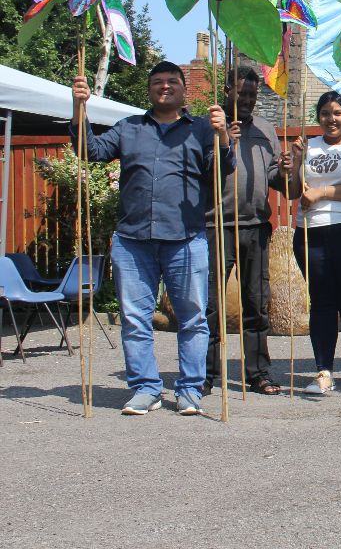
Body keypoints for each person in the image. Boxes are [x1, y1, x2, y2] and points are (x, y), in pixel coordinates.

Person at [71, 62, 233, 416]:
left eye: (172, 82)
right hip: (133, 240)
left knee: (192, 317)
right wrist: (79, 106)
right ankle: (145, 388)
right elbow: (90, 152)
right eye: (157, 82)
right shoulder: (128, 128)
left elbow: (221, 170)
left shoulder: (202, 128)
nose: (164, 87)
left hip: (186, 237)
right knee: (134, 318)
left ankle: (190, 389)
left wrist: (222, 136)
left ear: (183, 89)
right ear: (148, 89)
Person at [282, 91, 341, 396]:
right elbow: (294, 192)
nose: (330, 119)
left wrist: (322, 193)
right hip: (311, 232)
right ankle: (324, 372)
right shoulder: (308, 147)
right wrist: (295, 162)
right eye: (324, 113)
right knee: (321, 302)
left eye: (337, 113)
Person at [203, 66, 287, 397]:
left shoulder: (266, 130)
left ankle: (258, 373)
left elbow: (278, 181)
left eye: (253, 95)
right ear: (227, 91)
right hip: (214, 226)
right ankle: (206, 373)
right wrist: (223, 141)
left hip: (255, 227)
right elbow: (199, 170)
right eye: (242, 94)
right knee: (210, 305)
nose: (249, 100)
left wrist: (286, 170)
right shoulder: (207, 125)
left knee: (257, 303)